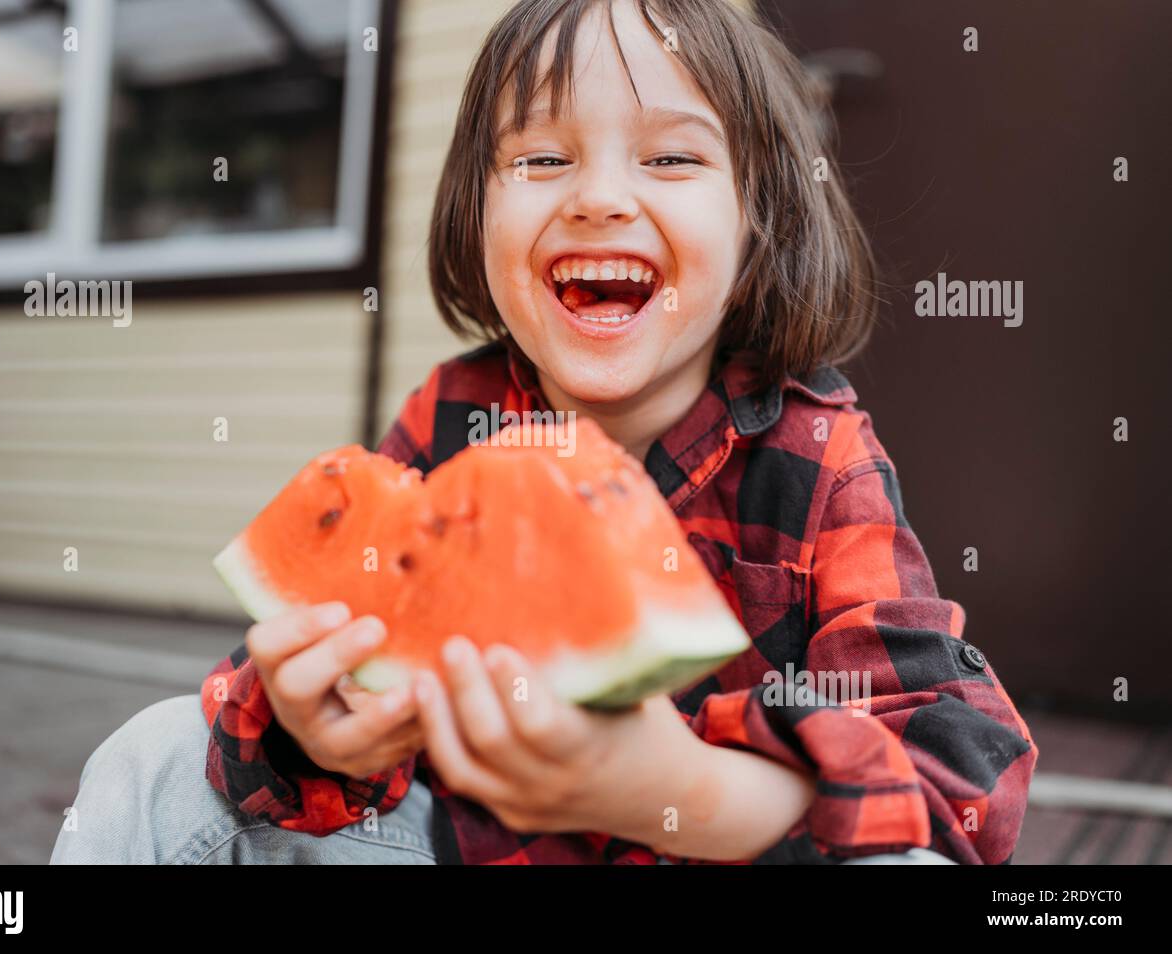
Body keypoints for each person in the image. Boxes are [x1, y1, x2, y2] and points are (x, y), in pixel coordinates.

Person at [51, 0, 1036, 865]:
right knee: (162, 755)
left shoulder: (818, 458)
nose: (597, 196)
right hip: (467, 854)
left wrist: (686, 792)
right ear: (475, 212)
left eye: (669, 156)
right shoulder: (452, 420)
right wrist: (316, 732)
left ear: (758, 223)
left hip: (725, 856)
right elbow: (307, 668)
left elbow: (959, 773)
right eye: (541, 157)